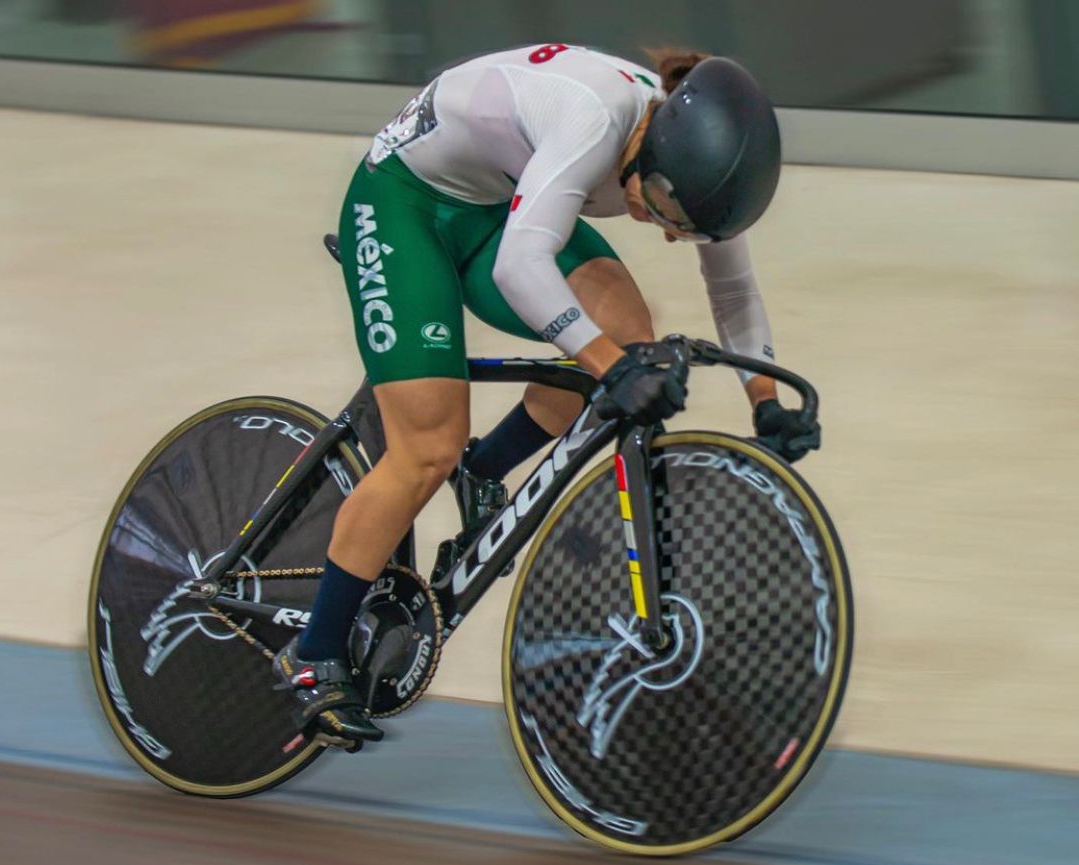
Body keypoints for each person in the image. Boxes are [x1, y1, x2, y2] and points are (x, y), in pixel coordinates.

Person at [273, 43, 820, 742]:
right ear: (649, 143)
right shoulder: (592, 120)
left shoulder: (690, 160)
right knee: (424, 452)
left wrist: (764, 400)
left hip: (494, 199)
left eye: (684, 227)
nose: (665, 229)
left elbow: (732, 288)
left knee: (623, 334)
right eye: (659, 206)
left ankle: (484, 471)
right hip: (403, 204)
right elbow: (519, 269)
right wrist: (611, 368)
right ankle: (314, 653)